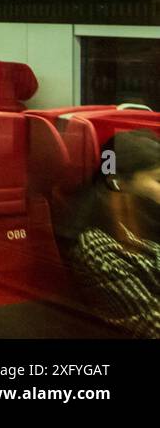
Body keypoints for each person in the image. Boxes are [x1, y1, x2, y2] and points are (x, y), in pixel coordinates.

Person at [66, 129, 160, 338]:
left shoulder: (145, 220)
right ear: (119, 182)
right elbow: (152, 324)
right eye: (159, 181)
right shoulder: (97, 247)